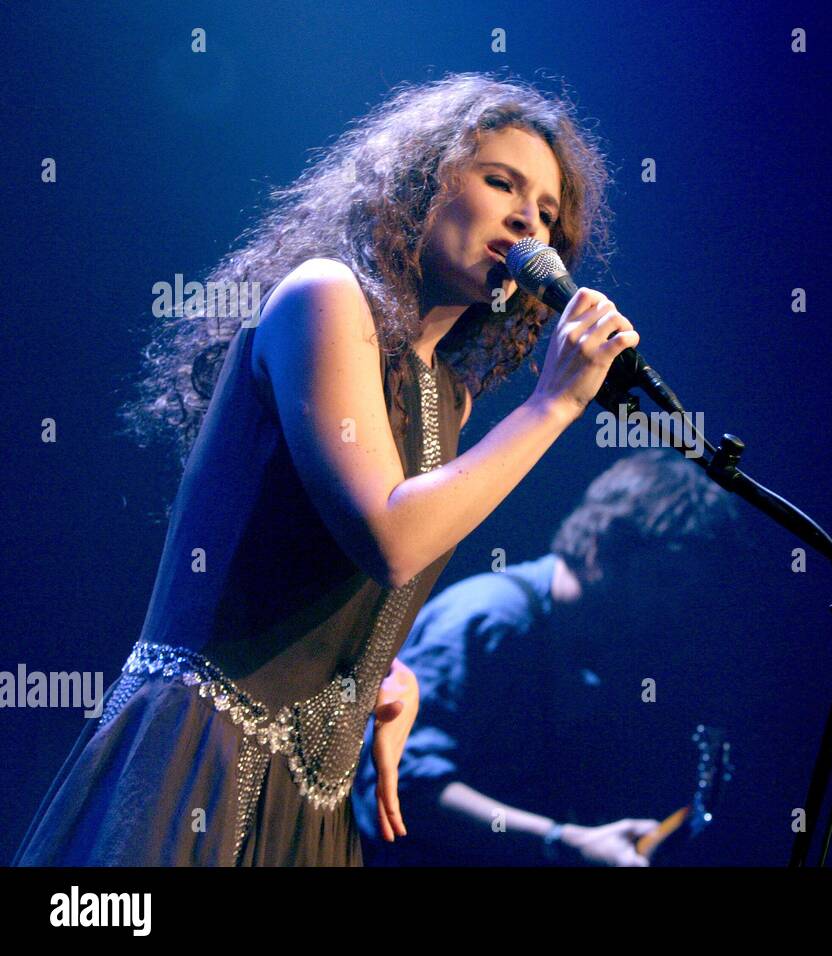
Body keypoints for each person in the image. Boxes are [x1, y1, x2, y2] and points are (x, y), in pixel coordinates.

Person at [12, 71, 637, 866]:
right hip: (199, 756)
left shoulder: (450, 398)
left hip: (313, 803)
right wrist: (552, 406)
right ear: (422, 182)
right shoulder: (325, 297)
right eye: (500, 182)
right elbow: (389, 535)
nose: (528, 222)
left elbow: (354, 584)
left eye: (548, 214)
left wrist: (385, 672)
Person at [351, 449, 744, 866]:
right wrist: (563, 840)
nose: (671, 606)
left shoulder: (597, 644)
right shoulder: (489, 619)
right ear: (602, 545)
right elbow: (401, 788)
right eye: (662, 581)